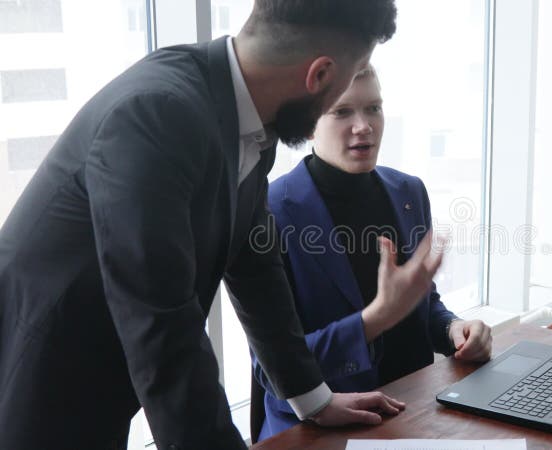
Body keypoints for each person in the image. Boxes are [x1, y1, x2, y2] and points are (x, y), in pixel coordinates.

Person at [0, 1, 442, 449]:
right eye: (344, 92)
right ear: (320, 75)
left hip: (100, 381)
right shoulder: (159, 114)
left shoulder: (248, 119)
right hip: (36, 391)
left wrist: (315, 401)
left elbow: (255, 269)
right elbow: (164, 330)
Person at [252, 66, 493, 440]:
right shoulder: (269, 212)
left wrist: (453, 330)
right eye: (342, 111)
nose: (364, 126)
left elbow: (422, 305)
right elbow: (273, 368)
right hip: (316, 427)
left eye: (374, 108)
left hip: (412, 413)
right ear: (309, 125)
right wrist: (375, 318)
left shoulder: (409, 192)